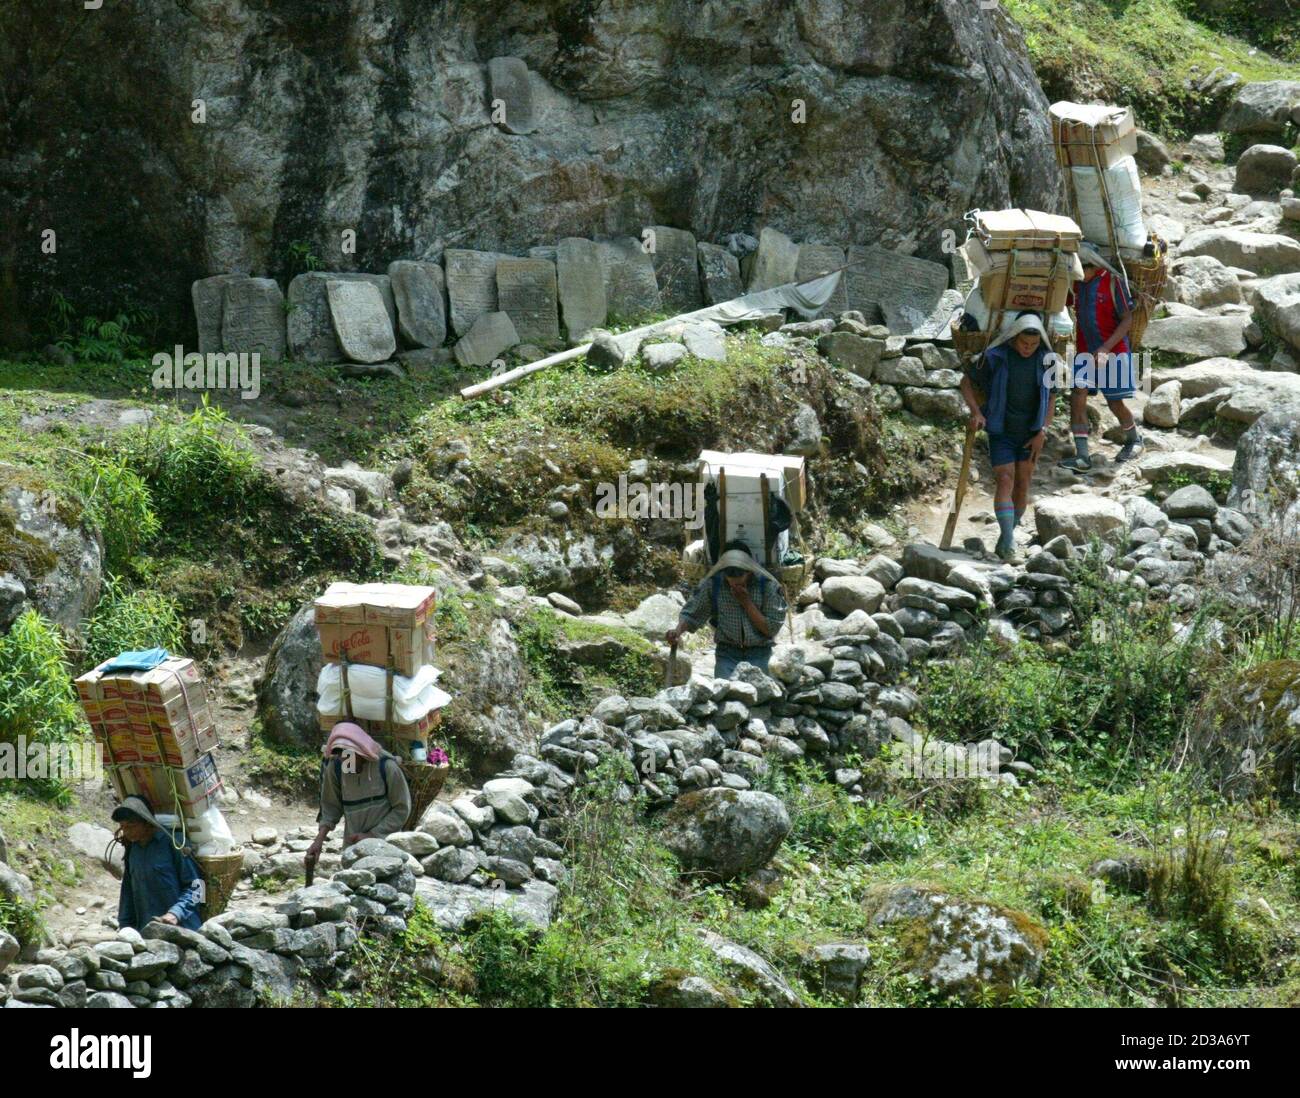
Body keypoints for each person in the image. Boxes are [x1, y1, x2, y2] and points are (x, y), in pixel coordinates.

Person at [959, 311, 1057, 562]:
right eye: (1024, 342)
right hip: (1001, 430)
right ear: (1014, 337)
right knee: (1005, 479)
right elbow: (966, 382)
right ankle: (1010, 541)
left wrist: (1043, 431)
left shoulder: (1047, 361)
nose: (1028, 348)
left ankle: (1006, 538)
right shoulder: (995, 357)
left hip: (1031, 433)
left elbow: (1051, 398)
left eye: (1033, 344)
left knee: (1023, 482)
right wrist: (976, 412)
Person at [1059, 242, 1143, 470]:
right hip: (1085, 352)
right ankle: (1082, 456)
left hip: (1113, 351)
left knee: (1114, 402)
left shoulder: (1114, 283)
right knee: (1078, 396)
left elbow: (1127, 319)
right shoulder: (1077, 284)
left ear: (1094, 266)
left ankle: (1134, 439)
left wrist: (1106, 348)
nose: (1078, 273)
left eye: (1082, 269)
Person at [666, 540, 788, 679]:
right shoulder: (714, 584)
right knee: (724, 690)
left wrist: (746, 602)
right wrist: (677, 631)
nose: (735, 579)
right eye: (730, 574)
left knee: (760, 691)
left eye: (740, 573)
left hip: (760, 653)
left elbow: (771, 629)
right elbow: (692, 614)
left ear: (749, 570)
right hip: (727, 654)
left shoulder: (767, 586)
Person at [307, 722, 411, 863]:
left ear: (362, 752)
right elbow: (331, 808)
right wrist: (318, 841)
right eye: (342, 757)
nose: (346, 762)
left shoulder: (387, 767)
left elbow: (402, 809)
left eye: (350, 756)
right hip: (352, 850)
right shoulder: (336, 767)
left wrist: (372, 835)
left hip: (386, 849)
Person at [112, 796, 203, 931]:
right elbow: (128, 891)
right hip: (148, 931)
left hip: (184, 929)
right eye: (123, 827)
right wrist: (125, 926)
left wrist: (176, 913)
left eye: (131, 826)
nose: (126, 832)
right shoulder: (132, 850)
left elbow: (198, 887)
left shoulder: (175, 843)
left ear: (147, 822)